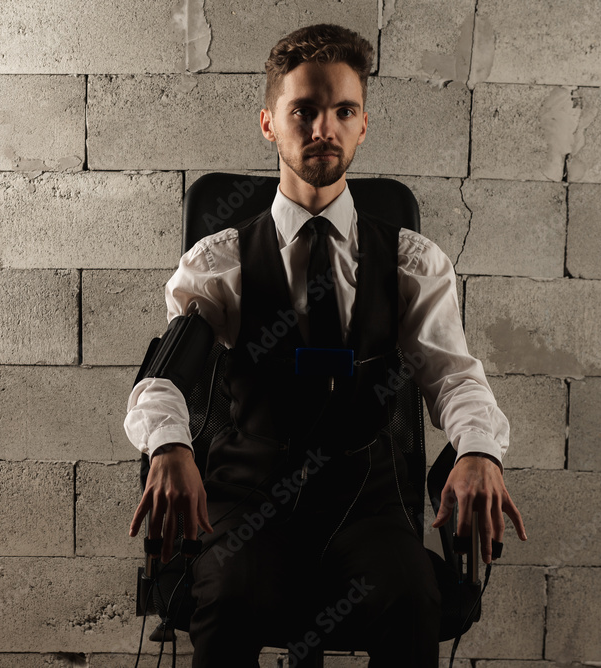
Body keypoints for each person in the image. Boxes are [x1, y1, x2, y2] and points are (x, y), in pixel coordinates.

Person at [124, 23, 527, 667]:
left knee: (410, 598)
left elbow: (454, 377)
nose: (324, 129)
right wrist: (169, 445)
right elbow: (164, 379)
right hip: (250, 501)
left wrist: (479, 449)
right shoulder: (219, 262)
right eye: (303, 111)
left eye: (343, 111)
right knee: (228, 597)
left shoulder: (412, 263)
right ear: (269, 123)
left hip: (363, 503)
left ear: (363, 124)